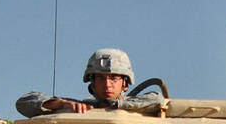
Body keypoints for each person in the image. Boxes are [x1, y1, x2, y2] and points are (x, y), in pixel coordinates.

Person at [15, 49, 156, 116]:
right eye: (100, 78)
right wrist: (61, 104)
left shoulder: (139, 105)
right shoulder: (81, 107)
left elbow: (157, 99)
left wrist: (118, 105)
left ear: (125, 83)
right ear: (92, 83)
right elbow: (24, 101)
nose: (107, 85)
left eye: (114, 78)